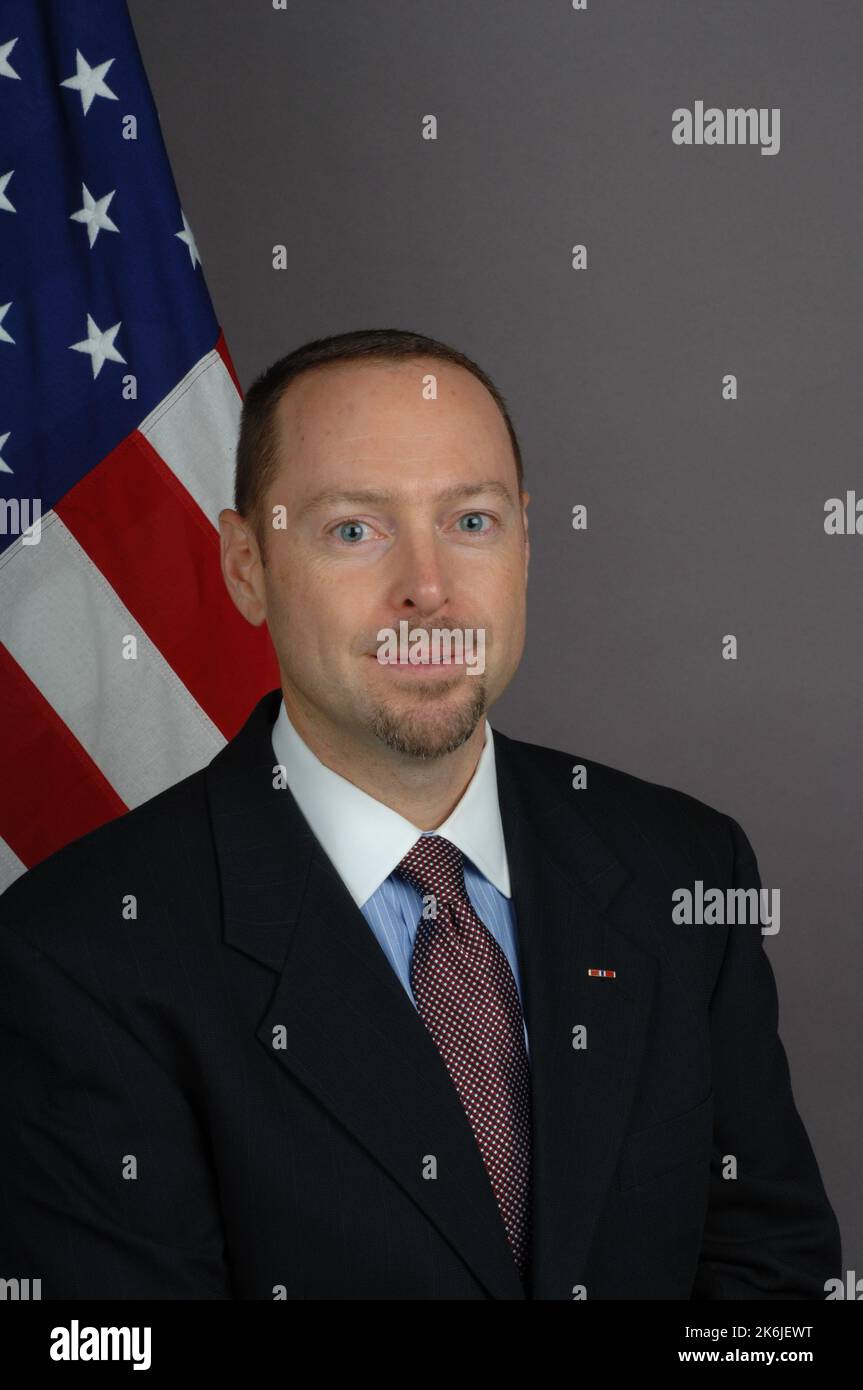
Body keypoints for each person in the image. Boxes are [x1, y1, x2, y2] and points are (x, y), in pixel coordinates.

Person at [0, 328, 841, 1299]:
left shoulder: (683, 868)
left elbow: (770, 1281)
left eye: (470, 521)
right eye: (354, 529)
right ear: (244, 567)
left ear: (524, 541)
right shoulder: (78, 956)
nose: (428, 587)